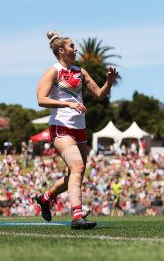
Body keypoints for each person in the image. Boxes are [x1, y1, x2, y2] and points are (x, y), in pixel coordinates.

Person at [35, 31, 118, 230]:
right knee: (78, 168)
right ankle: (77, 217)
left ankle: (45, 198)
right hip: (61, 127)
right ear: (62, 50)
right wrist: (68, 105)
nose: (76, 49)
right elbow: (41, 99)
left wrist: (109, 82)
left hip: (80, 128)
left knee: (76, 172)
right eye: (72, 46)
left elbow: (99, 94)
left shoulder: (80, 71)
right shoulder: (53, 71)